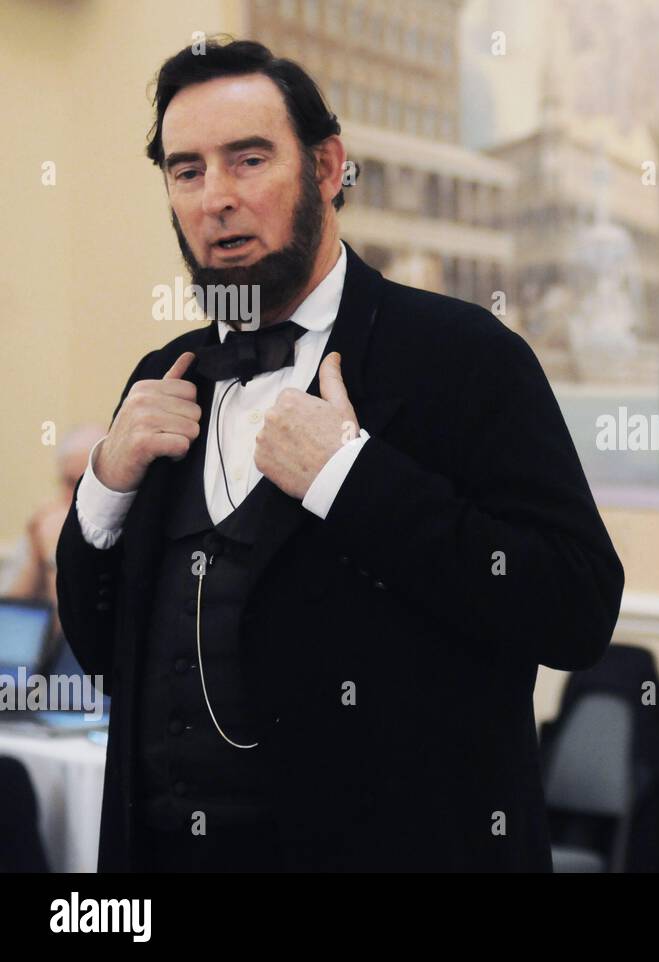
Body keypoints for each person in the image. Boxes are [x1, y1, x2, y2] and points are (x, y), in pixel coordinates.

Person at [55, 39, 624, 872]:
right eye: (187, 171)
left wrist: (352, 478)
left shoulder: (466, 356)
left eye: (248, 160)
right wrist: (104, 489)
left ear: (328, 168)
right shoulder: (160, 379)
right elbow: (107, 650)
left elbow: (576, 607)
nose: (216, 198)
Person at [3, 424, 104, 643]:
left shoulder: (114, 533)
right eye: (69, 482)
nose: (76, 495)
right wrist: (34, 554)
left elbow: (75, 641)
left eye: (85, 482)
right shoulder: (48, 521)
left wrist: (55, 559)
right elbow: (7, 626)